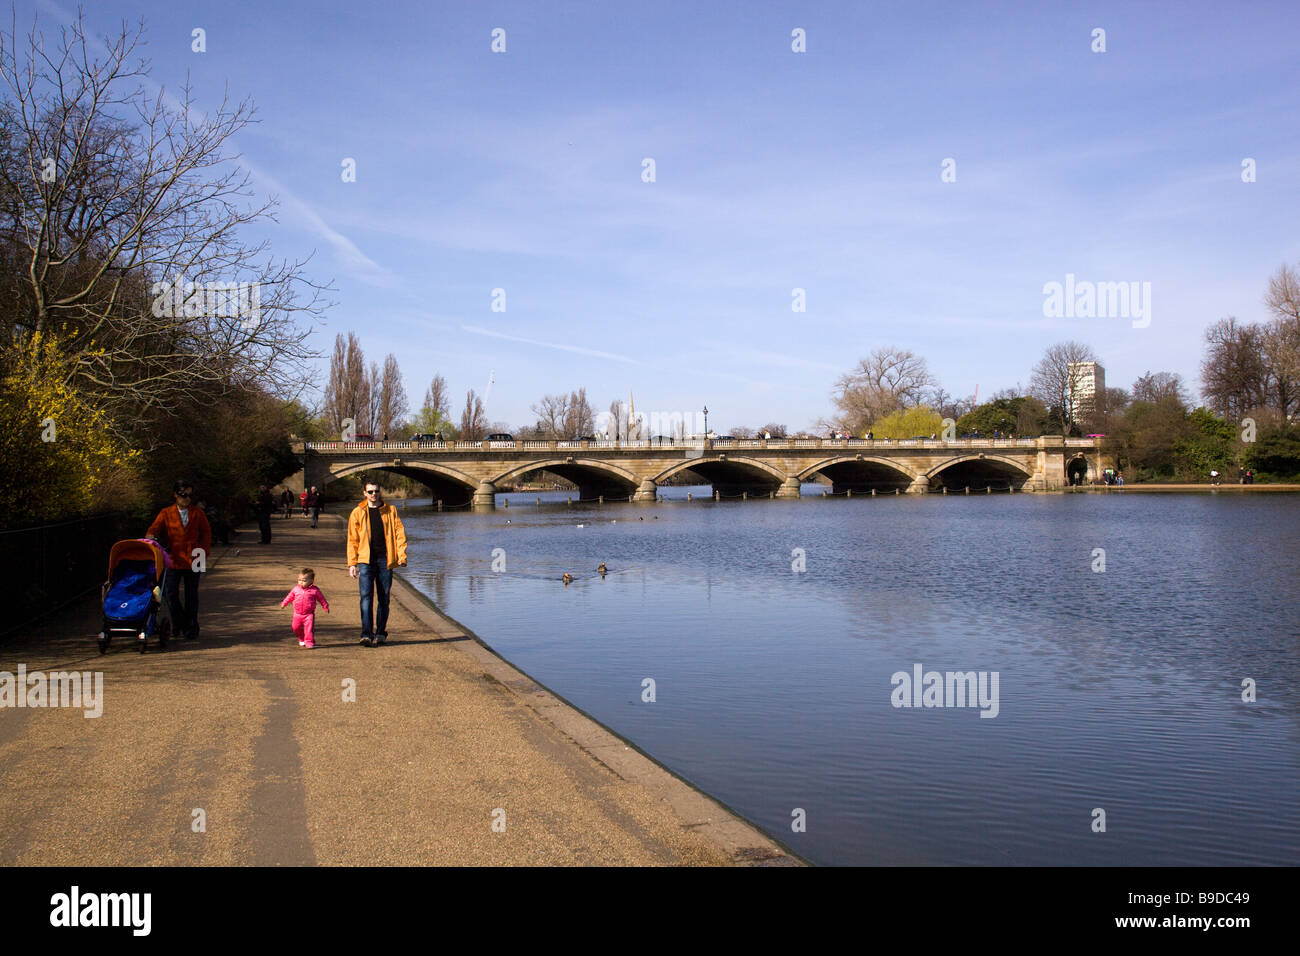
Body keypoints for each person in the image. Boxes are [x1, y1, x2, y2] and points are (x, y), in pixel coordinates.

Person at [147, 479, 212, 641]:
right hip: (172, 557)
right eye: (183, 495)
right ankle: (180, 623)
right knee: (170, 594)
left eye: (190, 495)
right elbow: (154, 529)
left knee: (192, 595)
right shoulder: (166, 513)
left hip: (195, 556)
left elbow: (206, 533)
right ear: (175, 495)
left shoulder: (198, 513)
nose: (186, 498)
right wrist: (150, 538)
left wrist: (204, 551)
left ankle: (191, 628)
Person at [346, 482, 408, 647]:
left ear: (380, 492)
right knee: (366, 598)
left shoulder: (391, 511)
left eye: (376, 491)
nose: (374, 494)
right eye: (370, 491)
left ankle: (380, 632)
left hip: (384, 560)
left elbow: (399, 533)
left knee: (384, 598)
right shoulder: (357, 512)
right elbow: (353, 539)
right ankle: (366, 633)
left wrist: (401, 556)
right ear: (364, 493)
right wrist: (352, 563)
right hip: (365, 560)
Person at [280, 567, 329, 649]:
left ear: (311, 581)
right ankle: (301, 638)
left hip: (309, 614)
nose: (301, 582)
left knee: (309, 629)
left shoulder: (315, 590)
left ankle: (309, 642)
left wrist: (325, 606)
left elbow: (321, 599)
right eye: (299, 580)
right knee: (295, 627)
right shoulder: (296, 589)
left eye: (304, 580)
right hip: (297, 614)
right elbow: (289, 596)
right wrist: (284, 603)